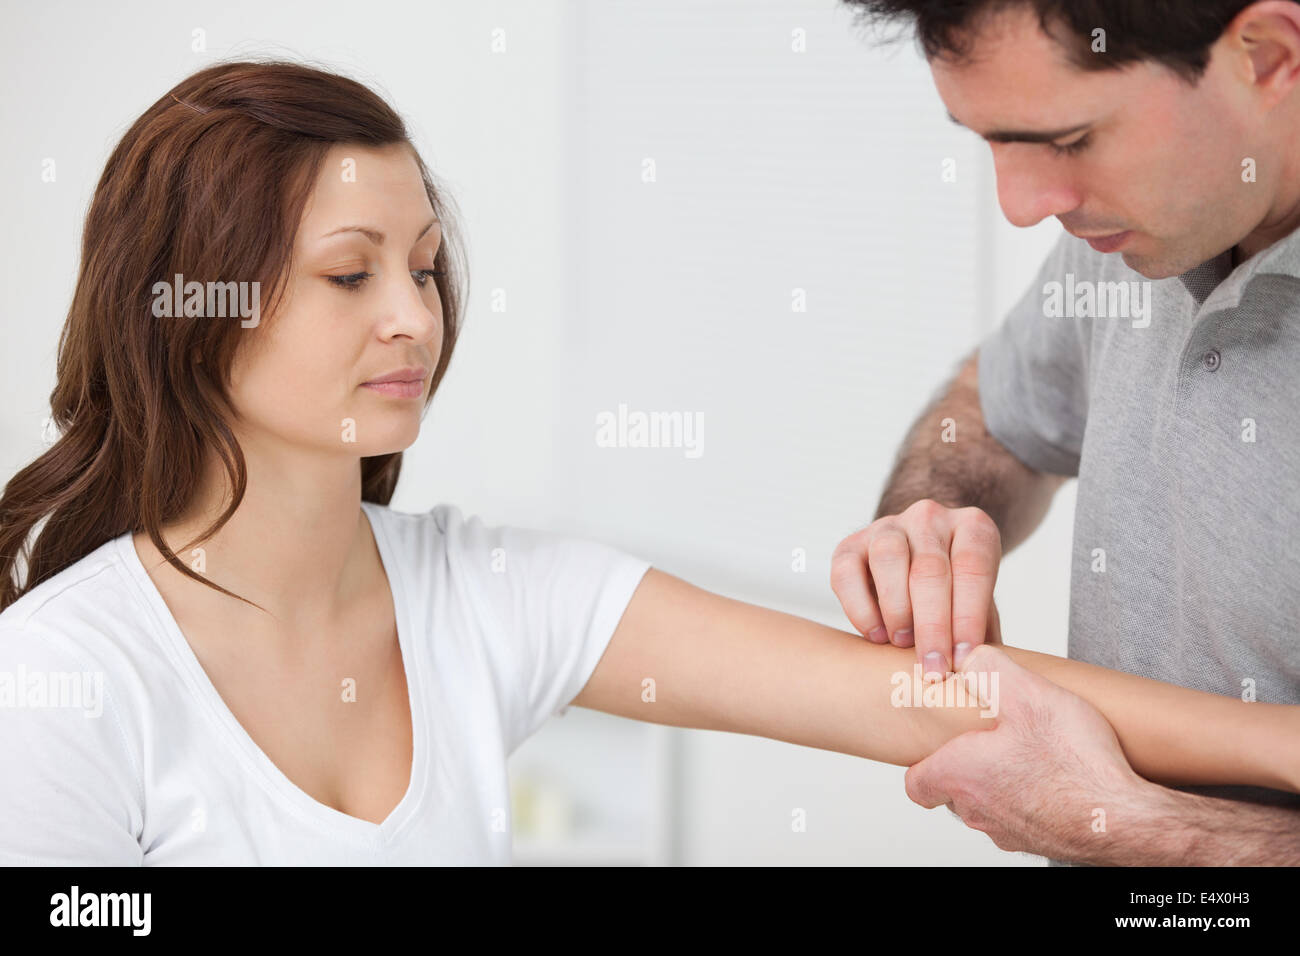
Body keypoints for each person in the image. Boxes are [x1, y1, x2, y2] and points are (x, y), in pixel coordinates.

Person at [0, 59, 1294, 865]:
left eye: (426, 266)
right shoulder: (62, 682)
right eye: (352, 274)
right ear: (192, 306)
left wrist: (1279, 746)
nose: (414, 315)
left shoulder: (476, 592)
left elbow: (929, 695)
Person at [833, 0, 1300, 864]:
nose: (1022, 206)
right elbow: (995, 409)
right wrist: (932, 514)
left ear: (1268, 56)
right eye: (991, 142)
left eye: (1072, 140)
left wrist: (1146, 834)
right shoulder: (1131, 235)